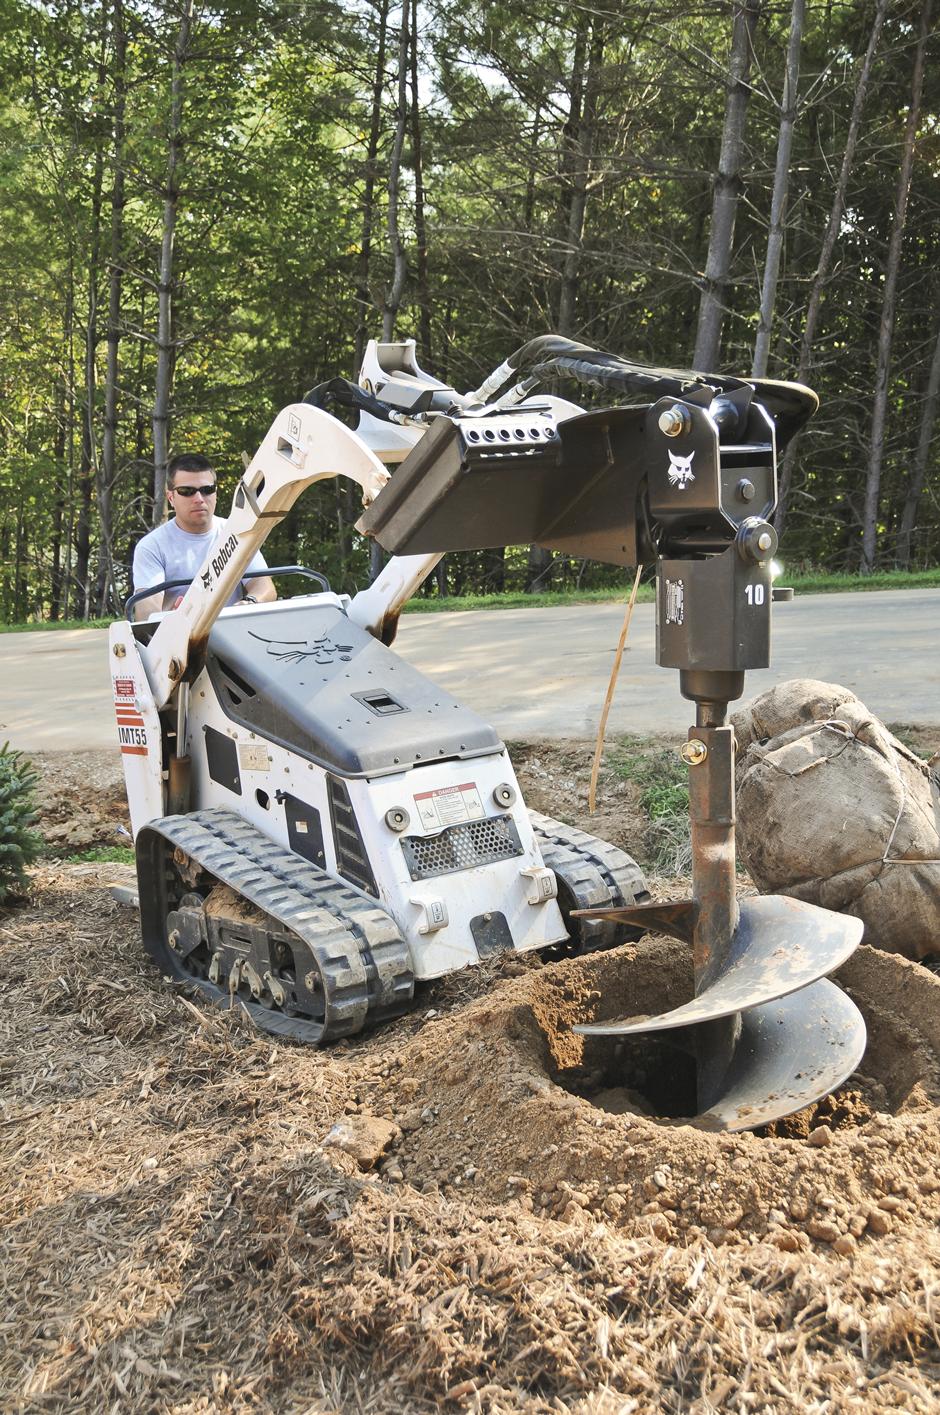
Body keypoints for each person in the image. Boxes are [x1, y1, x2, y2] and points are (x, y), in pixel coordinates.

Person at [132, 453, 276, 620]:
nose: (199, 499)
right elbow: (146, 612)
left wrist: (248, 603)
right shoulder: (152, 546)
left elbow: (264, 586)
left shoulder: (238, 533)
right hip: (179, 639)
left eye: (207, 490)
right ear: (170, 497)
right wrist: (171, 617)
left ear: (216, 493)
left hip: (233, 631)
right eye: (187, 491)